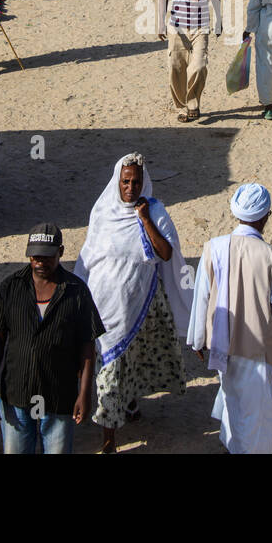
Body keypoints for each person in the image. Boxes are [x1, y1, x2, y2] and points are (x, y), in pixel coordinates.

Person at [186, 183, 272, 454]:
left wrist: (198, 339)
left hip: (222, 343)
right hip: (258, 348)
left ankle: (231, 444)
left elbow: (201, 296)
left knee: (232, 396)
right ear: (266, 216)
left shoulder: (214, 248)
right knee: (256, 412)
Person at [74, 154, 192, 454]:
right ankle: (111, 437)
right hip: (104, 306)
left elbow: (166, 253)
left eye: (136, 182)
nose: (130, 187)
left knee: (133, 361)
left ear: (144, 182)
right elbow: (90, 255)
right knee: (109, 368)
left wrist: (145, 220)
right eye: (125, 181)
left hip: (141, 303)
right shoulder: (103, 211)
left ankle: (123, 417)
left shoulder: (155, 211)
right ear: (117, 181)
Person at [0, 224, 105, 454]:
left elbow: (87, 348)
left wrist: (84, 394)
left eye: (47, 256)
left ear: (61, 251)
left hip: (59, 396)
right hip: (16, 393)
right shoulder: (10, 288)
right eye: (35, 256)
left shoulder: (77, 292)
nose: (40, 263)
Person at [156, 0, 223, 123]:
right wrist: (160, 22)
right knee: (176, 68)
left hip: (200, 27)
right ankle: (183, 107)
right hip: (177, 28)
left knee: (199, 66)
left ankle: (193, 104)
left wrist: (219, 19)